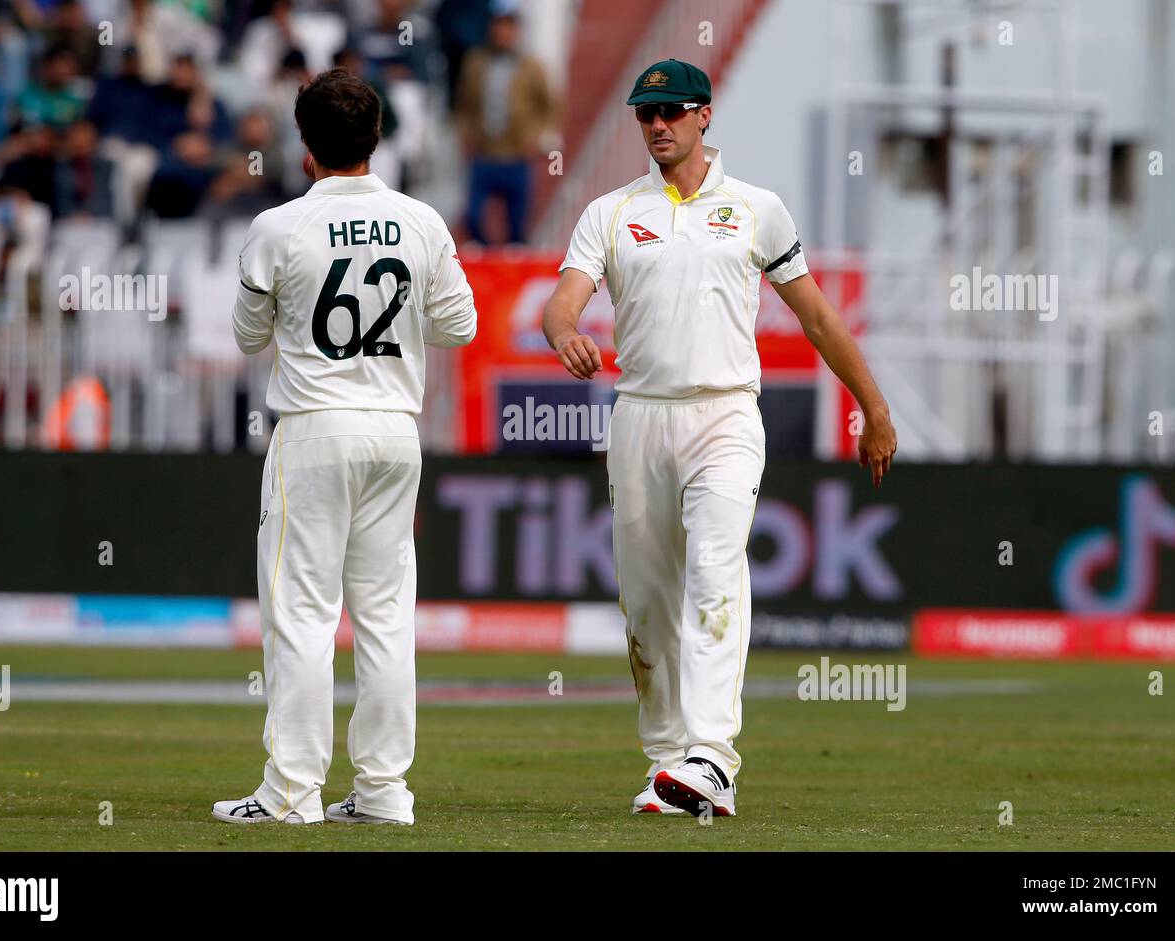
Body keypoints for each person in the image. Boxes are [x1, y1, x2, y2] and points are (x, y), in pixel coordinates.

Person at [541, 59, 897, 818]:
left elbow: (820, 319)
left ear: (705, 115)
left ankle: (712, 755)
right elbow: (560, 303)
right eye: (646, 113)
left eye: (671, 110)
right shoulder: (611, 210)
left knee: (714, 571)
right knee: (645, 603)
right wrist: (567, 330)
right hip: (639, 415)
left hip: (728, 414)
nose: (657, 124)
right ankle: (671, 765)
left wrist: (874, 407)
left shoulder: (756, 208)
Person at [213, 67, 477, 827]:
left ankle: (292, 792)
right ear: (378, 140)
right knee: (387, 615)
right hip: (396, 429)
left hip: (316, 428)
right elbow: (457, 325)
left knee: (301, 612)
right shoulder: (421, 221)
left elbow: (246, 335)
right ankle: (386, 792)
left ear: (305, 148)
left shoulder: (279, 227)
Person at [454, 6, 557, 245]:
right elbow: (463, 104)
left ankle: (513, 267)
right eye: (498, 27)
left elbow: (550, 106)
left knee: (517, 221)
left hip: (516, 153)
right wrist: (466, 135)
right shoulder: (475, 62)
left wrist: (537, 137)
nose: (502, 33)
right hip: (484, 152)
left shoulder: (531, 65)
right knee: (474, 215)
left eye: (508, 27)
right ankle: (486, 261)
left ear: (516, 31)